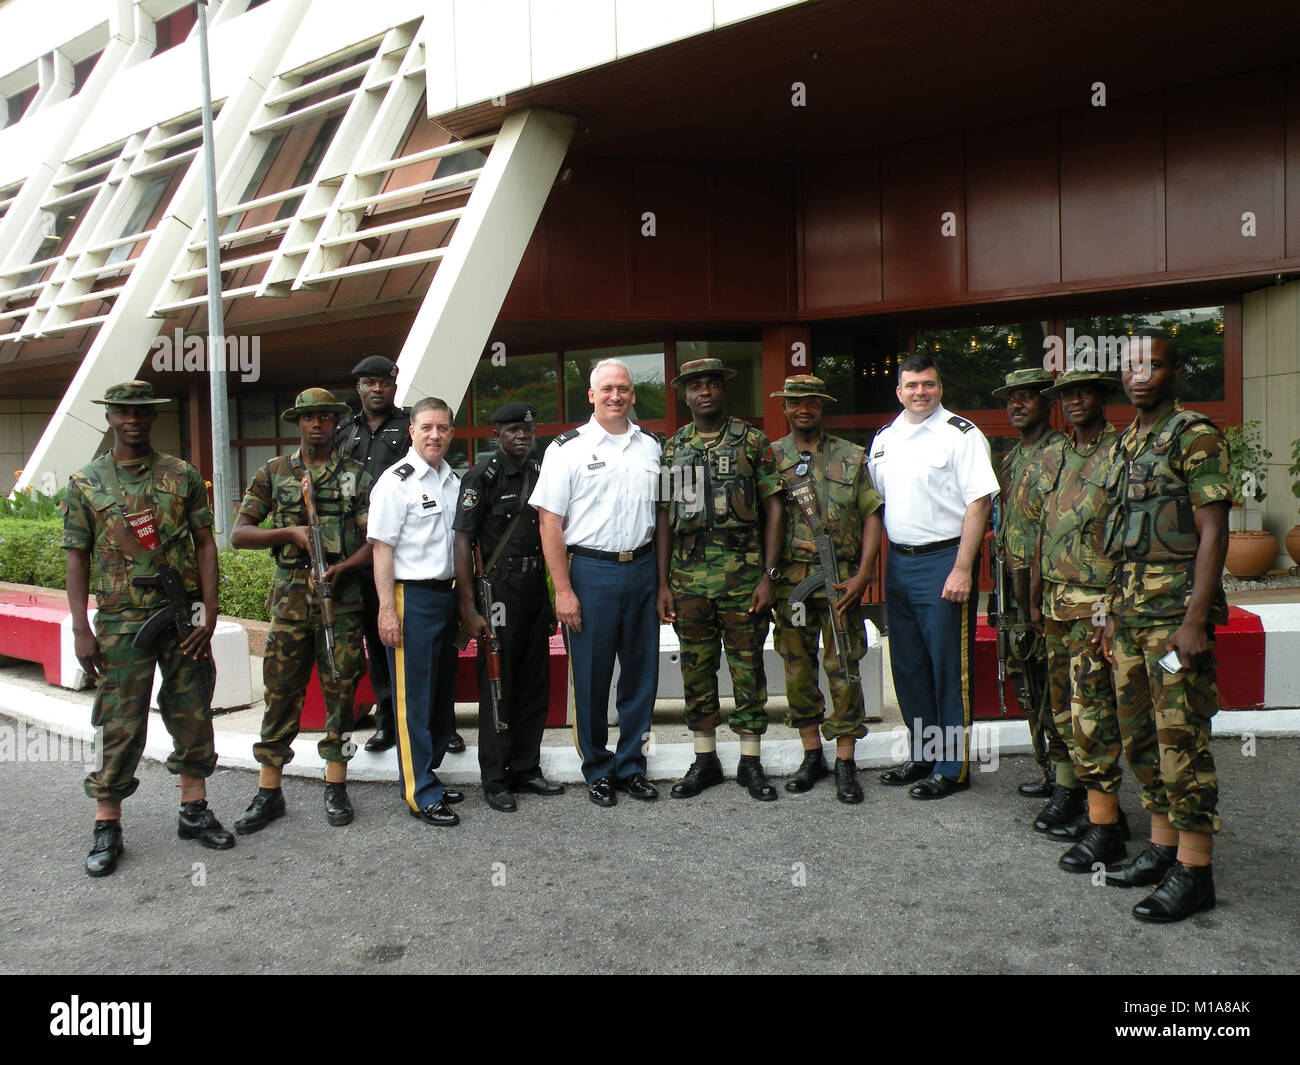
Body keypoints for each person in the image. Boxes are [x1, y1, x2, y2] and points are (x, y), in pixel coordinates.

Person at [62, 380, 235, 876]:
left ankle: (194, 810)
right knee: (120, 722)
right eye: (123, 412)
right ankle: (107, 823)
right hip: (119, 622)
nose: (132, 420)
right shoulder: (87, 483)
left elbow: (206, 544)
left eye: (141, 412)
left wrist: (209, 609)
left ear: (152, 418)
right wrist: (80, 627)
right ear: (110, 417)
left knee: (192, 710)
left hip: (182, 618)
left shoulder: (180, 475)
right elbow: (76, 555)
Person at [1101, 330, 1230, 921]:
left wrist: (1195, 620)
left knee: (1181, 739)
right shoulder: (1127, 441)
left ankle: (1195, 870)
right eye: (1130, 366)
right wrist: (1108, 615)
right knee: (1141, 737)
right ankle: (1161, 847)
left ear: (1175, 371)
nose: (1139, 375)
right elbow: (1118, 539)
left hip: (1174, 623)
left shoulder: (1196, 435)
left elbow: (1213, 531)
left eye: (1152, 365)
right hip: (1129, 617)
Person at [230, 388, 372, 833]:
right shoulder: (274, 473)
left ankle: (336, 785)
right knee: (280, 694)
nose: (317, 425)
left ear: (335, 423)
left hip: (342, 602)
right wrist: (289, 532)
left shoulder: (354, 474)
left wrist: (344, 567)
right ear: (298, 423)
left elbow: (375, 541)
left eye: (326, 418)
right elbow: (240, 534)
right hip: (291, 602)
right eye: (309, 418)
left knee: (341, 693)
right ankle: (269, 792)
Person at [1033, 368, 1153, 868]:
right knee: (1062, 709)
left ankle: (1106, 828)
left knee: (1093, 714)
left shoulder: (1122, 451)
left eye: (1085, 392)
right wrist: (1038, 586)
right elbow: (1045, 521)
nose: (1076, 401)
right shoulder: (1059, 452)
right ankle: (1094, 809)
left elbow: (1133, 533)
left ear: (1102, 397)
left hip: (1098, 604)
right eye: (1068, 395)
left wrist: (1117, 607)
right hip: (1057, 601)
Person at [531, 358, 662, 807]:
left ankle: (632, 765)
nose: (616, 396)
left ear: (632, 394)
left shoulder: (651, 447)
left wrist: (663, 583)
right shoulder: (565, 449)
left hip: (643, 569)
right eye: (607, 388)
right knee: (590, 677)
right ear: (591, 395)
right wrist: (563, 590)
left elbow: (663, 516)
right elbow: (549, 523)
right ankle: (598, 768)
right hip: (591, 572)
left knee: (642, 677)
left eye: (623, 388)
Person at [656, 359, 784, 801]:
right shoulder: (674, 448)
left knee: (747, 669)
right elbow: (664, 518)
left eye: (712, 384)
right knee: (696, 668)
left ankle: (751, 761)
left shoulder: (752, 441)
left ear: (723, 391)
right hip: (689, 579)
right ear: (684, 395)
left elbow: (774, 509)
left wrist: (769, 576)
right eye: (695, 386)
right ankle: (705, 759)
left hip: (744, 578)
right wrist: (663, 583)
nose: (704, 391)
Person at [870, 355, 998, 799]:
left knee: (948, 667)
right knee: (908, 666)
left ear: (939, 388)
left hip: (944, 561)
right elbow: (881, 501)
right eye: (911, 385)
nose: (919, 392)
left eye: (928, 384)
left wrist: (964, 568)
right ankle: (922, 755)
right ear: (899, 391)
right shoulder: (885, 439)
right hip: (899, 563)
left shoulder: (960, 435)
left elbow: (979, 503)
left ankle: (951, 766)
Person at [336, 355, 466, 756]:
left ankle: (433, 735)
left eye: (441, 428)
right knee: (381, 647)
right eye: (368, 383)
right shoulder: (347, 432)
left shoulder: (446, 474)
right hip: (372, 552)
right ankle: (390, 724)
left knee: (434, 671)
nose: (434, 434)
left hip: (412, 566)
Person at [768, 374, 884, 803]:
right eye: (795, 401)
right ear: (785, 407)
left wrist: (865, 573)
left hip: (840, 581)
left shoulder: (852, 456)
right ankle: (811, 754)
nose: (803, 408)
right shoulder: (771, 456)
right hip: (792, 585)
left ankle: (845, 761)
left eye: (812, 401)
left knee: (844, 668)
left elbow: (872, 514)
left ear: (823, 406)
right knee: (797, 669)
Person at [453, 401, 564, 812]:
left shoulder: (541, 474)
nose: (522, 435)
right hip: (497, 591)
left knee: (536, 680)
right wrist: (469, 608)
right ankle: (496, 777)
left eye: (528, 430)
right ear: (494, 435)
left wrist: (552, 598)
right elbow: (462, 542)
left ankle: (526, 768)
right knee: (498, 683)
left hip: (535, 588)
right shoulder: (481, 477)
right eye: (513, 429)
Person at [368, 396, 466, 827]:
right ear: (412, 431)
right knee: (414, 699)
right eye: (427, 427)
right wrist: (387, 611)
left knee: (441, 695)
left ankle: (430, 773)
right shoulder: (396, 482)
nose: (435, 435)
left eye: (443, 428)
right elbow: (382, 550)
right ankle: (419, 792)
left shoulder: (453, 480)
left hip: (445, 597)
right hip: (412, 600)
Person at [989, 368, 1071, 814]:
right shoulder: (1013, 457)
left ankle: (1067, 782)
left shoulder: (1062, 453)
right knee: (1027, 677)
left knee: (1055, 681)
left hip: (1048, 585)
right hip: (1014, 585)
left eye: (1027, 397)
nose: (1017, 405)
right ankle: (1047, 768)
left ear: (1047, 403)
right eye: (1011, 399)